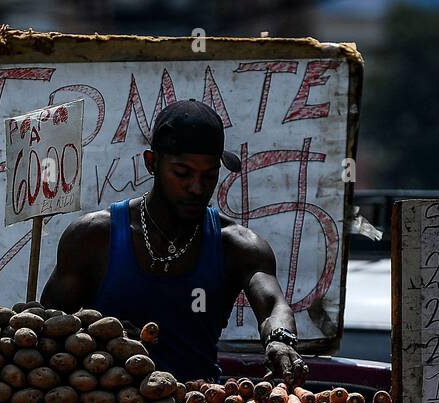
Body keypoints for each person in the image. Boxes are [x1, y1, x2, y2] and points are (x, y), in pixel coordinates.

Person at [41, 99, 308, 386]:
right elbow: (48, 327)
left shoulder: (239, 246)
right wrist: (97, 333)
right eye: (182, 174)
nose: (196, 188)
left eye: (209, 176)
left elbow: (272, 306)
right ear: (152, 163)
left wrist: (281, 340)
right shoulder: (93, 236)